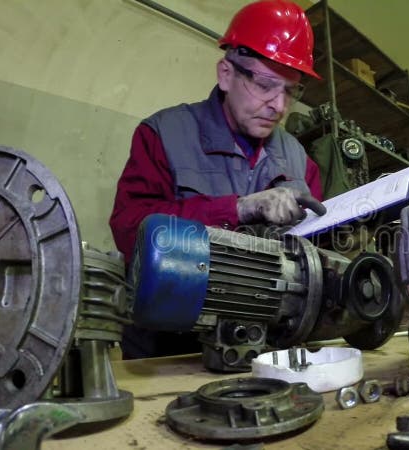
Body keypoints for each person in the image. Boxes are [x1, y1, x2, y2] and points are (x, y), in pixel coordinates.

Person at [109, 0, 327, 359]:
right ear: (226, 74)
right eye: (266, 84)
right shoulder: (163, 134)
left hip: (266, 348)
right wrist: (238, 209)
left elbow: (314, 258)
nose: (279, 106)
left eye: (291, 90)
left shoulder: (300, 161)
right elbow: (129, 230)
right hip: (170, 349)